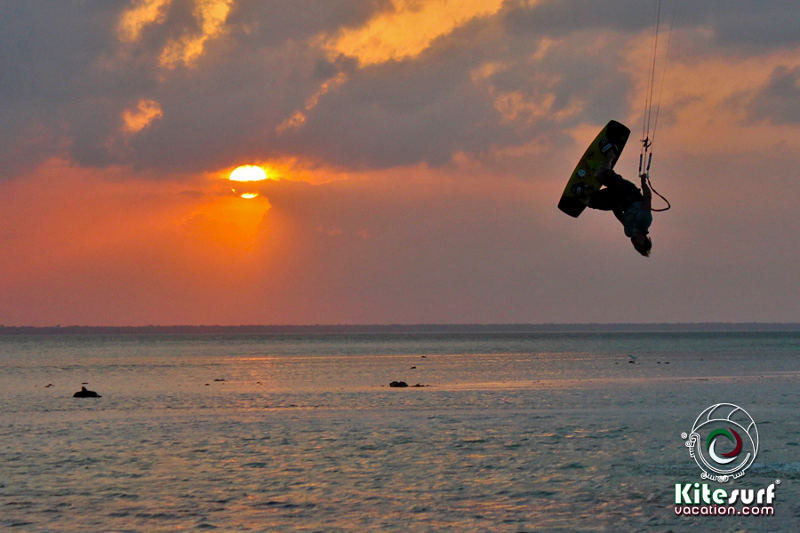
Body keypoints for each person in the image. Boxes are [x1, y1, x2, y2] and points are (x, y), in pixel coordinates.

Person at [585, 148, 653, 256]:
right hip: (627, 191)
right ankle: (610, 155)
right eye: (642, 241)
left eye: (638, 243)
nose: (639, 239)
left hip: (618, 201)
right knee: (600, 175)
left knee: (590, 202)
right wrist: (643, 182)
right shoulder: (645, 221)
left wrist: (606, 202)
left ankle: (588, 191)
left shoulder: (629, 231)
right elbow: (647, 197)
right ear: (646, 238)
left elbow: (619, 215)